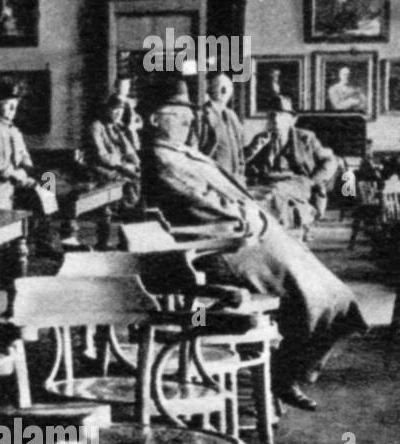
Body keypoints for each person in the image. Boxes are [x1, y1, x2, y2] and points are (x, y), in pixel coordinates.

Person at [144, 96, 365, 411]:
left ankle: (287, 369)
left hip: (254, 233)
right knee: (311, 300)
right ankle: (284, 373)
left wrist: (256, 213)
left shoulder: (184, 152)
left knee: (340, 298)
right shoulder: (160, 157)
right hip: (222, 246)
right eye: (177, 115)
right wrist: (248, 216)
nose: (188, 122)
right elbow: (202, 201)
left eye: (189, 116)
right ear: (155, 120)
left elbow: (228, 191)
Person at [244, 95, 339, 229]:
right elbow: (241, 163)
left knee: (274, 193)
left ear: (292, 120)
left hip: (298, 183)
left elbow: (330, 160)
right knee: (253, 197)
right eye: (272, 115)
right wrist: (253, 149)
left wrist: (313, 181)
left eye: (281, 115)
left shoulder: (306, 138)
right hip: (267, 183)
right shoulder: (260, 139)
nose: (276, 120)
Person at [83, 96, 141, 201]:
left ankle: (135, 208)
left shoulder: (117, 127)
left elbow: (129, 150)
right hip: (99, 167)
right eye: (115, 110)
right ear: (107, 109)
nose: (119, 114)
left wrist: (136, 164)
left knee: (140, 175)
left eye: (121, 110)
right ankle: (128, 209)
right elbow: (102, 155)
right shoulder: (96, 127)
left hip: (119, 166)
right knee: (128, 181)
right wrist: (124, 165)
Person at [195, 72, 246, 176]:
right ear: (225, 90)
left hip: (234, 180)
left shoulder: (232, 116)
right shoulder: (202, 115)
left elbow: (239, 153)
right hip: (213, 181)